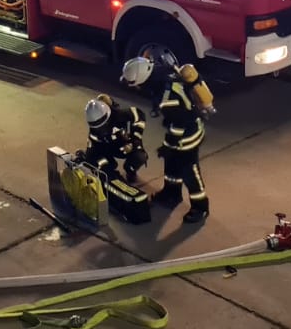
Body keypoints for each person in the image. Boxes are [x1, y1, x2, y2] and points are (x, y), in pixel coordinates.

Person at [121, 53, 215, 224]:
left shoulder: (167, 99)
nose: (136, 88)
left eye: (135, 84)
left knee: (189, 171)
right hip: (181, 130)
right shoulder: (163, 72)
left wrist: (169, 144)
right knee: (171, 163)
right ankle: (171, 194)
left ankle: (200, 206)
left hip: (188, 136)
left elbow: (180, 122)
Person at [76, 93, 147, 185]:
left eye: (102, 123)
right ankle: (112, 176)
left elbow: (139, 116)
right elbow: (92, 151)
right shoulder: (94, 132)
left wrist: (135, 139)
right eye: (96, 125)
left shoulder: (120, 115)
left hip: (127, 145)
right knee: (100, 163)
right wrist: (92, 162)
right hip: (108, 149)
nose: (100, 128)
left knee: (140, 157)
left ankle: (130, 170)